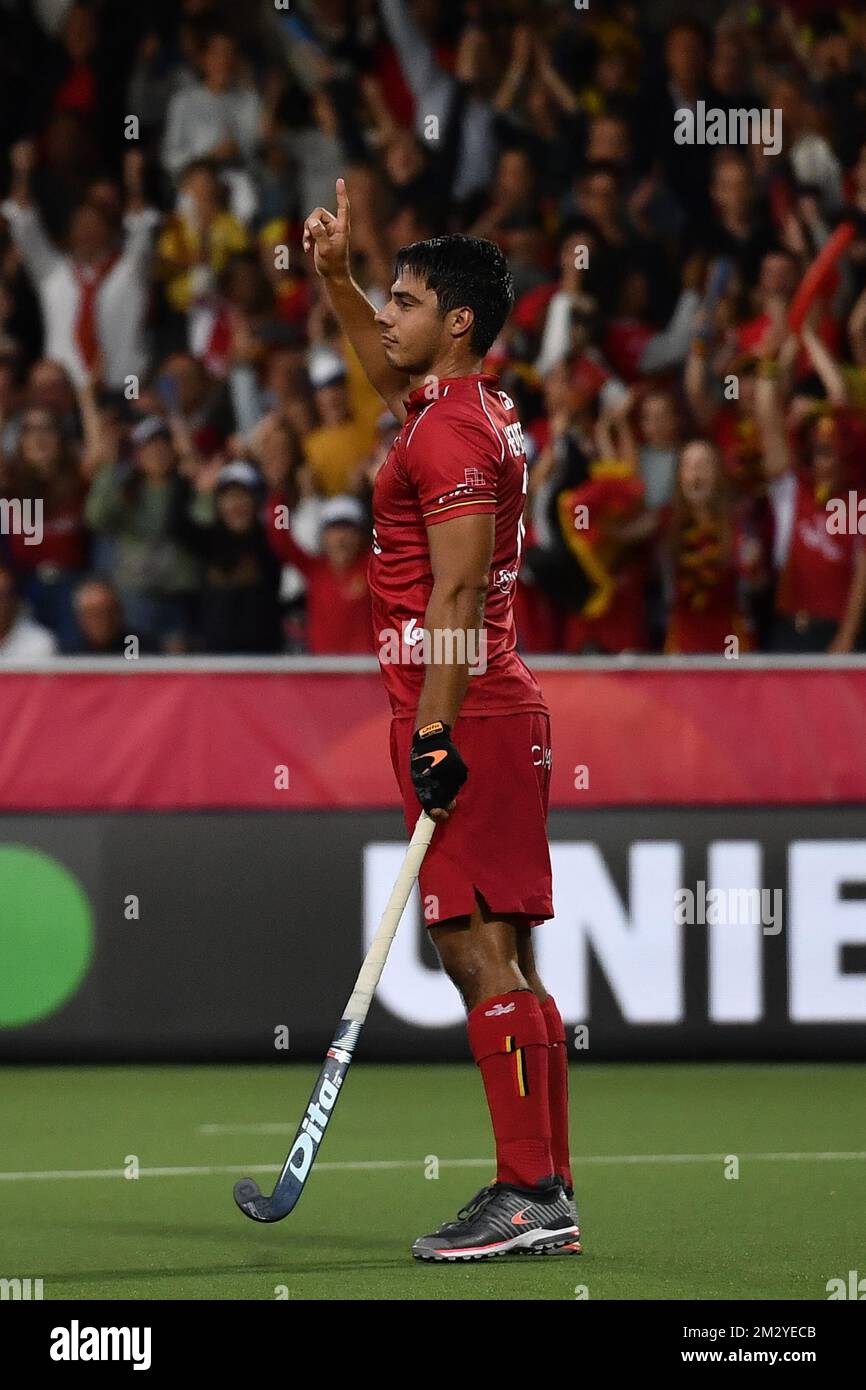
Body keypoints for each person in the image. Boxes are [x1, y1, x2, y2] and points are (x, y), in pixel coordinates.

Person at [303, 178, 579, 1259]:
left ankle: (526, 1191)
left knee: (475, 951)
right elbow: (386, 379)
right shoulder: (460, 413)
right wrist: (335, 276)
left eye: (405, 299)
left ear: (455, 321)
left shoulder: (451, 438)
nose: (388, 313)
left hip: (465, 707)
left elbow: (457, 596)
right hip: (482, 706)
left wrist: (432, 733)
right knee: (504, 950)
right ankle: (545, 1186)